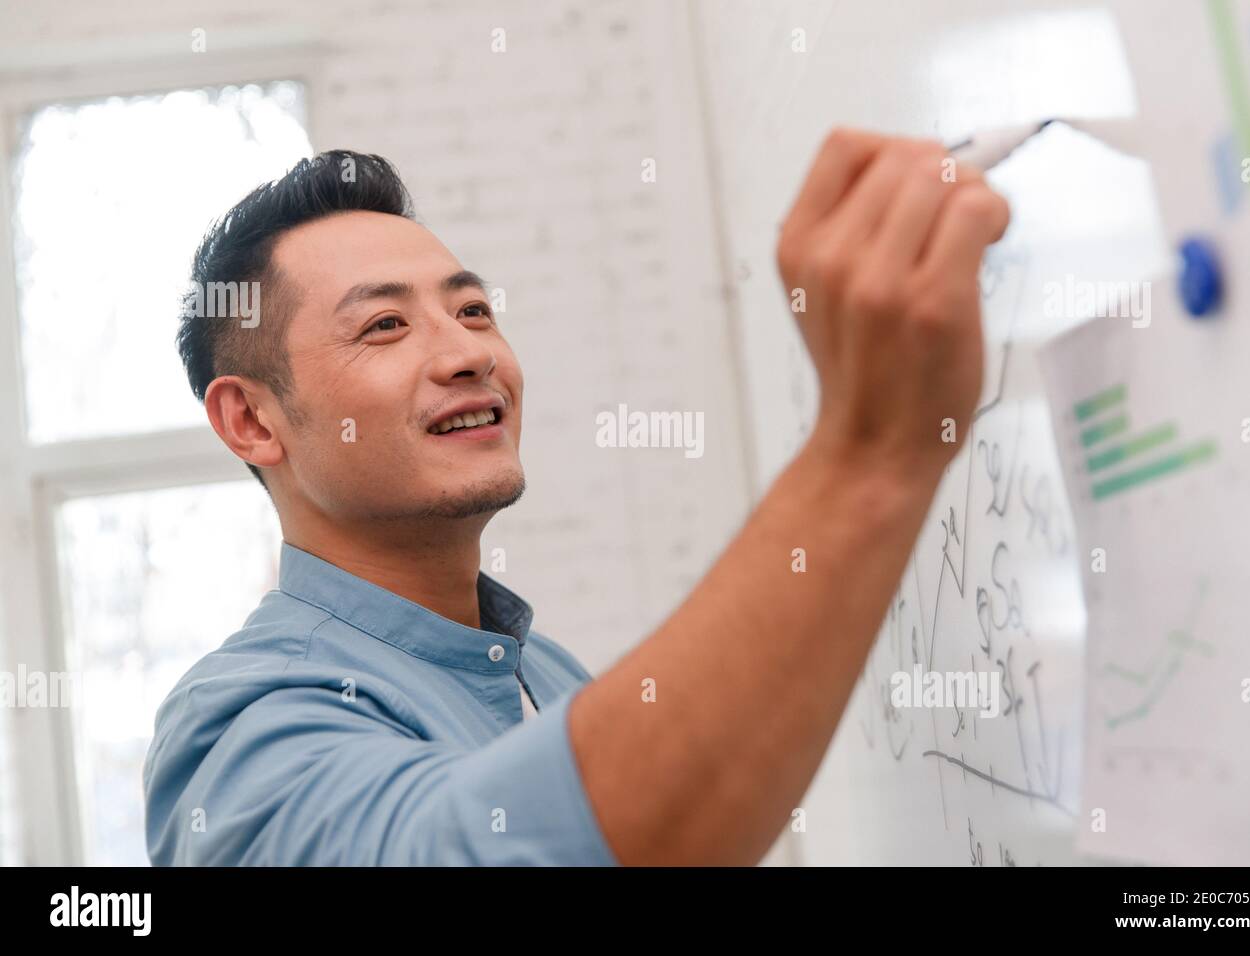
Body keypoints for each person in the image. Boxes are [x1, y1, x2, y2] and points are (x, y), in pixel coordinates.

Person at [144, 132, 1009, 865]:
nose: (467, 354)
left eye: (474, 310)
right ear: (252, 421)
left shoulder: (542, 668)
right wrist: (868, 452)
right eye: (385, 326)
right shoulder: (242, 728)